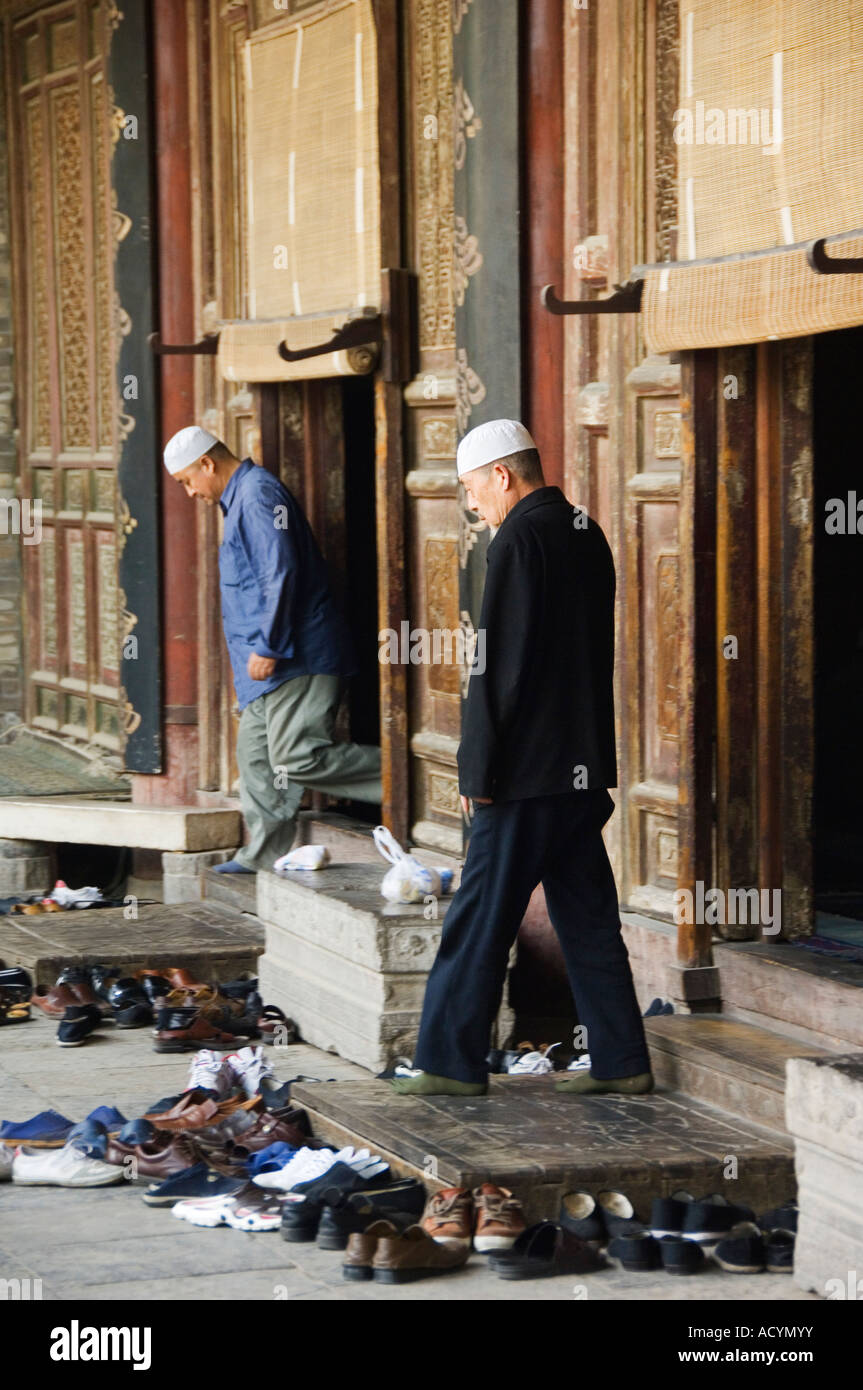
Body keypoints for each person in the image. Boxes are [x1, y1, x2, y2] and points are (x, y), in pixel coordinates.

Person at [392, 419, 652, 1098]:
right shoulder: (583, 531)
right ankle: (621, 1059)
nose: (473, 505)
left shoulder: (518, 539)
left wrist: (477, 773)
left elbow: (497, 670)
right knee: (587, 916)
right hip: (580, 769)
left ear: (502, 476)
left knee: (478, 916)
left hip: (527, 777)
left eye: (474, 490)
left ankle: (448, 1062)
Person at [163, 427, 382, 874]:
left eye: (188, 481)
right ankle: (263, 856)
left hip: (295, 656)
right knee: (257, 758)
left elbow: (279, 572)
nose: (189, 493)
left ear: (208, 464)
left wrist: (269, 645)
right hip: (269, 665)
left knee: (295, 756)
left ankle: (402, 778)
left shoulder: (259, 495)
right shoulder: (242, 498)